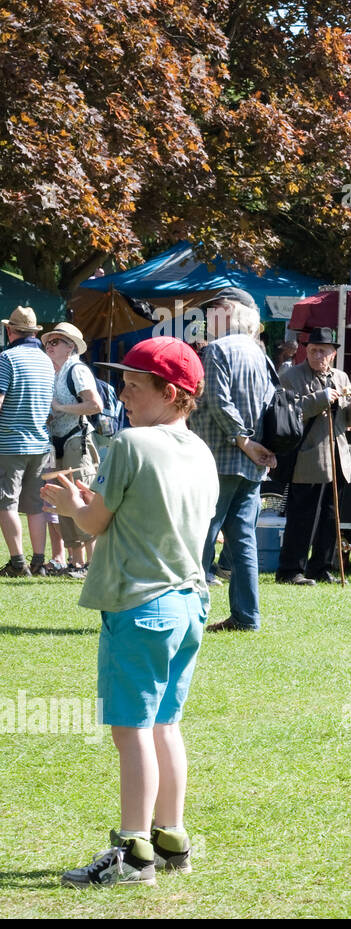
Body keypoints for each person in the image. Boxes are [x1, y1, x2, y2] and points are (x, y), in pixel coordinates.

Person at [42, 336, 218, 887]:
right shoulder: (202, 451)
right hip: (189, 605)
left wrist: (74, 506)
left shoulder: (132, 445)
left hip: (140, 605)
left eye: (135, 385)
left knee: (131, 730)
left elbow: (95, 523)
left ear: (170, 393)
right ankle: (171, 837)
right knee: (166, 724)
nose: (123, 392)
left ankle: (133, 852)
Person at [188, 287, 277, 632]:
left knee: (202, 536)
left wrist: (242, 441)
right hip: (252, 462)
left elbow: (217, 401)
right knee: (242, 542)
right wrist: (256, 446)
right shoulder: (261, 355)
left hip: (219, 458)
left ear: (230, 313)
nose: (208, 318)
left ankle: (191, 613)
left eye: (214, 311)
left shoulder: (217, 351)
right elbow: (272, 405)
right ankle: (246, 616)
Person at [275, 328, 351, 586]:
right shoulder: (290, 375)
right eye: (313, 350)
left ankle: (321, 567)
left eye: (323, 351)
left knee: (330, 516)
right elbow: (289, 411)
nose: (317, 355)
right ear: (306, 350)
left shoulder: (341, 376)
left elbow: (347, 421)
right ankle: (290, 570)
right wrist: (321, 398)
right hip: (308, 457)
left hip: (338, 455)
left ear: (333, 354)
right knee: (302, 517)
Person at [0, 306, 56, 577]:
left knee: (6, 502)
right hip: (40, 443)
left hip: (10, 444)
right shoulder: (47, 361)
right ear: (34, 332)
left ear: (10, 331)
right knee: (36, 506)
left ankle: (18, 563)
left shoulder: (7, 359)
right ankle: (39, 562)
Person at [43, 322, 102, 574]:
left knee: (81, 495)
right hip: (59, 443)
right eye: (48, 342)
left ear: (71, 347)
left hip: (77, 441)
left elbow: (95, 405)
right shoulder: (53, 371)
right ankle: (75, 562)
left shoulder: (76, 370)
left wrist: (60, 408)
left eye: (56, 342)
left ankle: (92, 563)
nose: (49, 346)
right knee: (63, 502)